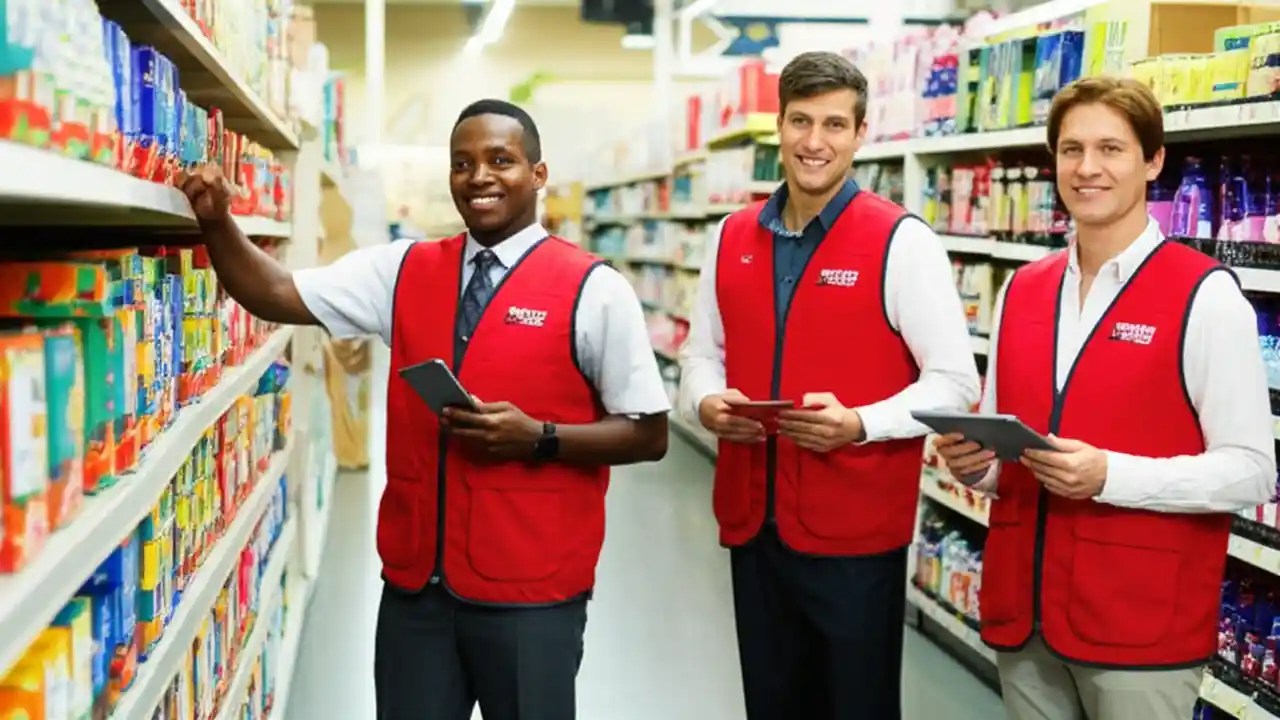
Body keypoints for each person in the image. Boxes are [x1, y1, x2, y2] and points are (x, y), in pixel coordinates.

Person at [178, 98, 672, 720]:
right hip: (417, 588)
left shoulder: (593, 289)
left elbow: (648, 434)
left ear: (538, 175)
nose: (480, 177)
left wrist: (540, 438)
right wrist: (218, 221)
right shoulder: (405, 269)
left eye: (501, 160)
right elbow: (275, 292)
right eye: (462, 164)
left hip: (531, 592)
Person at [933, 76, 1276, 720]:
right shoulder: (1022, 292)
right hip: (1025, 615)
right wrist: (976, 462)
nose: (1087, 168)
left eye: (1111, 149)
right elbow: (1008, 443)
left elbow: (1252, 470)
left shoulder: (1205, 296)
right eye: (1070, 150)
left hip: (1138, 628)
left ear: (1153, 162)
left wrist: (1109, 475)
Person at [678, 50, 981, 719]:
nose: (815, 142)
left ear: (861, 133)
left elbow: (956, 381)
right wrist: (705, 401)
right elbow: (700, 355)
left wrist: (862, 423)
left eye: (835, 125)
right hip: (753, 524)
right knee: (772, 702)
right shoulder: (731, 237)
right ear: (779, 127)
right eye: (801, 121)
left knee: (856, 705)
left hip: (854, 532)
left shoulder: (901, 241)